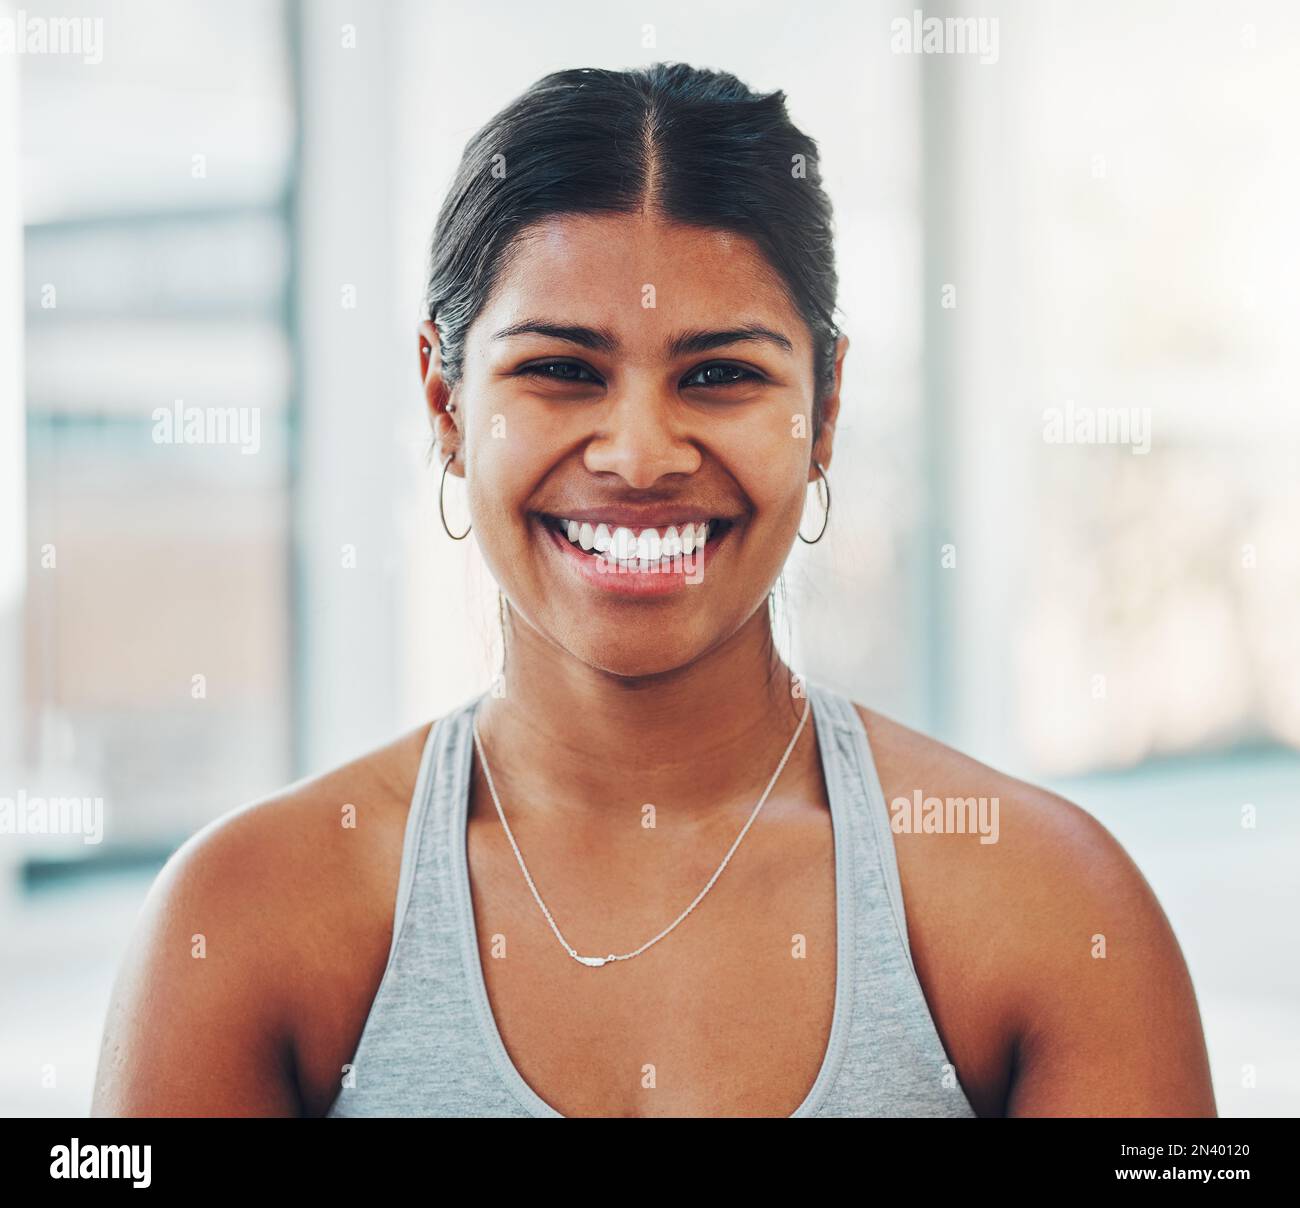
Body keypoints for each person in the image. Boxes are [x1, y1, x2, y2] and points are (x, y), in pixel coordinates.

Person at [92, 63, 1215, 1118]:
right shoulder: (241, 917)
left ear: (821, 414)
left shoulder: (1052, 905)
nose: (638, 453)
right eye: (560, 369)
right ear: (444, 404)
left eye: (721, 374)